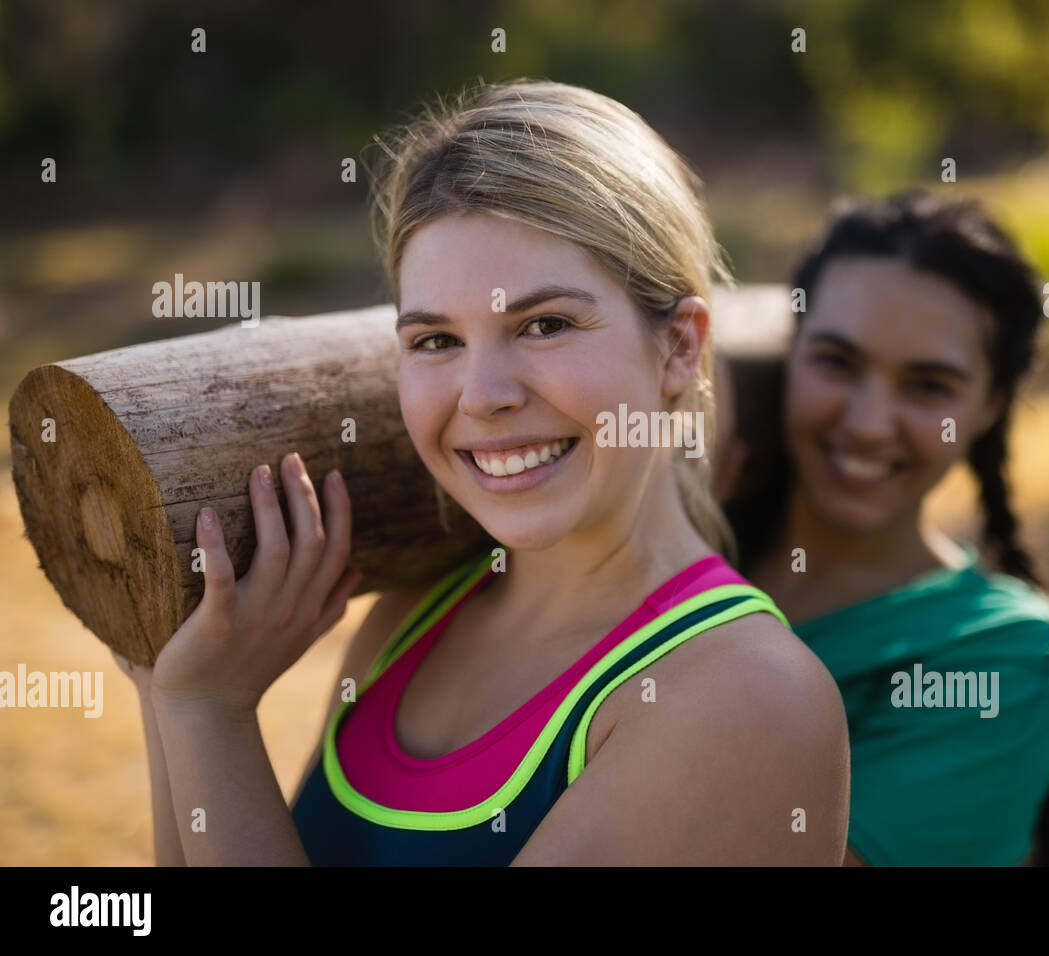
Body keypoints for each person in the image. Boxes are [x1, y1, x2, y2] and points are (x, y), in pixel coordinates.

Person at [116, 79, 850, 866]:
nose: (484, 397)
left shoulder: (747, 697)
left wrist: (212, 713)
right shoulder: (413, 616)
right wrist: (170, 696)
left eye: (545, 325)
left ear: (679, 347)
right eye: (436, 340)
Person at [720, 192, 1049, 866]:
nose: (866, 423)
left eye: (927, 387)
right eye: (836, 362)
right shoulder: (691, 543)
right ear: (790, 354)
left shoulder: (1010, 655)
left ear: (990, 407)